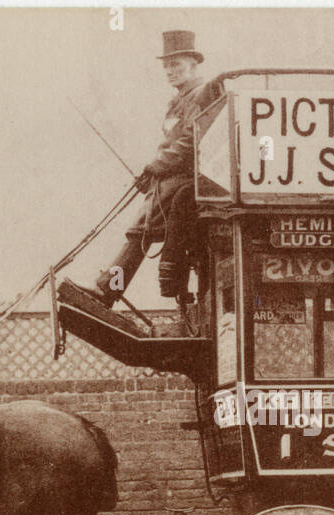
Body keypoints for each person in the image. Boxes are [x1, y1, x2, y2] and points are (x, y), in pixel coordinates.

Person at [63, 30, 222, 310]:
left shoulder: (202, 93)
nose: (170, 71)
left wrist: (155, 167)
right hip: (171, 177)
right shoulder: (180, 98)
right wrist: (152, 173)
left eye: (176, 65)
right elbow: (175, 141)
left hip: (189, 179)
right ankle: (110, 288)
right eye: (167, 66)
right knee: (141, 229)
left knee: (141, 230)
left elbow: (191, 141)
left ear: (194, 65)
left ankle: (108, 291)